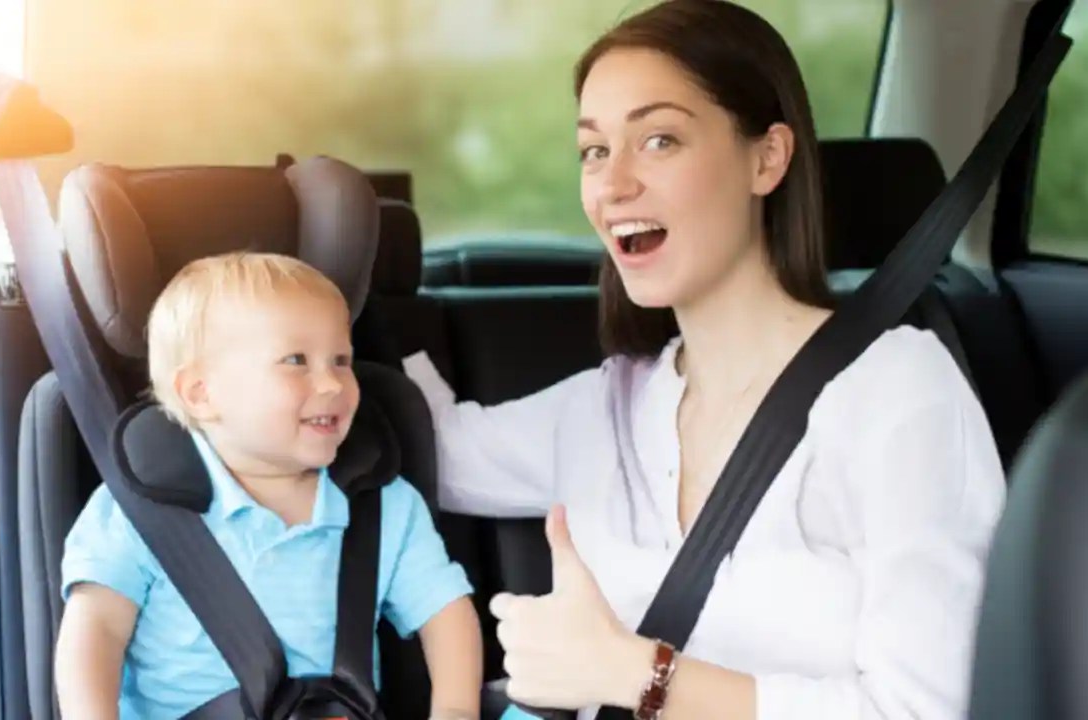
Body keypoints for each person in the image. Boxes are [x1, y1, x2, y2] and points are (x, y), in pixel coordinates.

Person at [400, 1, 1005, 719]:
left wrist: (636, 675)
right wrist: (354, 288)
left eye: (659, 140)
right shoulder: (605, 410)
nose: (612, 184)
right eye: (594, 150)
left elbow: (936, 710)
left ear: (767, 158)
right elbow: (430, 443)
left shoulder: (897, 392)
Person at [54, 252, 482, 720]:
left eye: (341, 360)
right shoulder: (139, 511)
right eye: (296, 361)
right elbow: (96, 631)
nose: (332, 383)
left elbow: (445, 612)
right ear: (202, 393)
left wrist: (456, 711)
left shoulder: (385, 506)